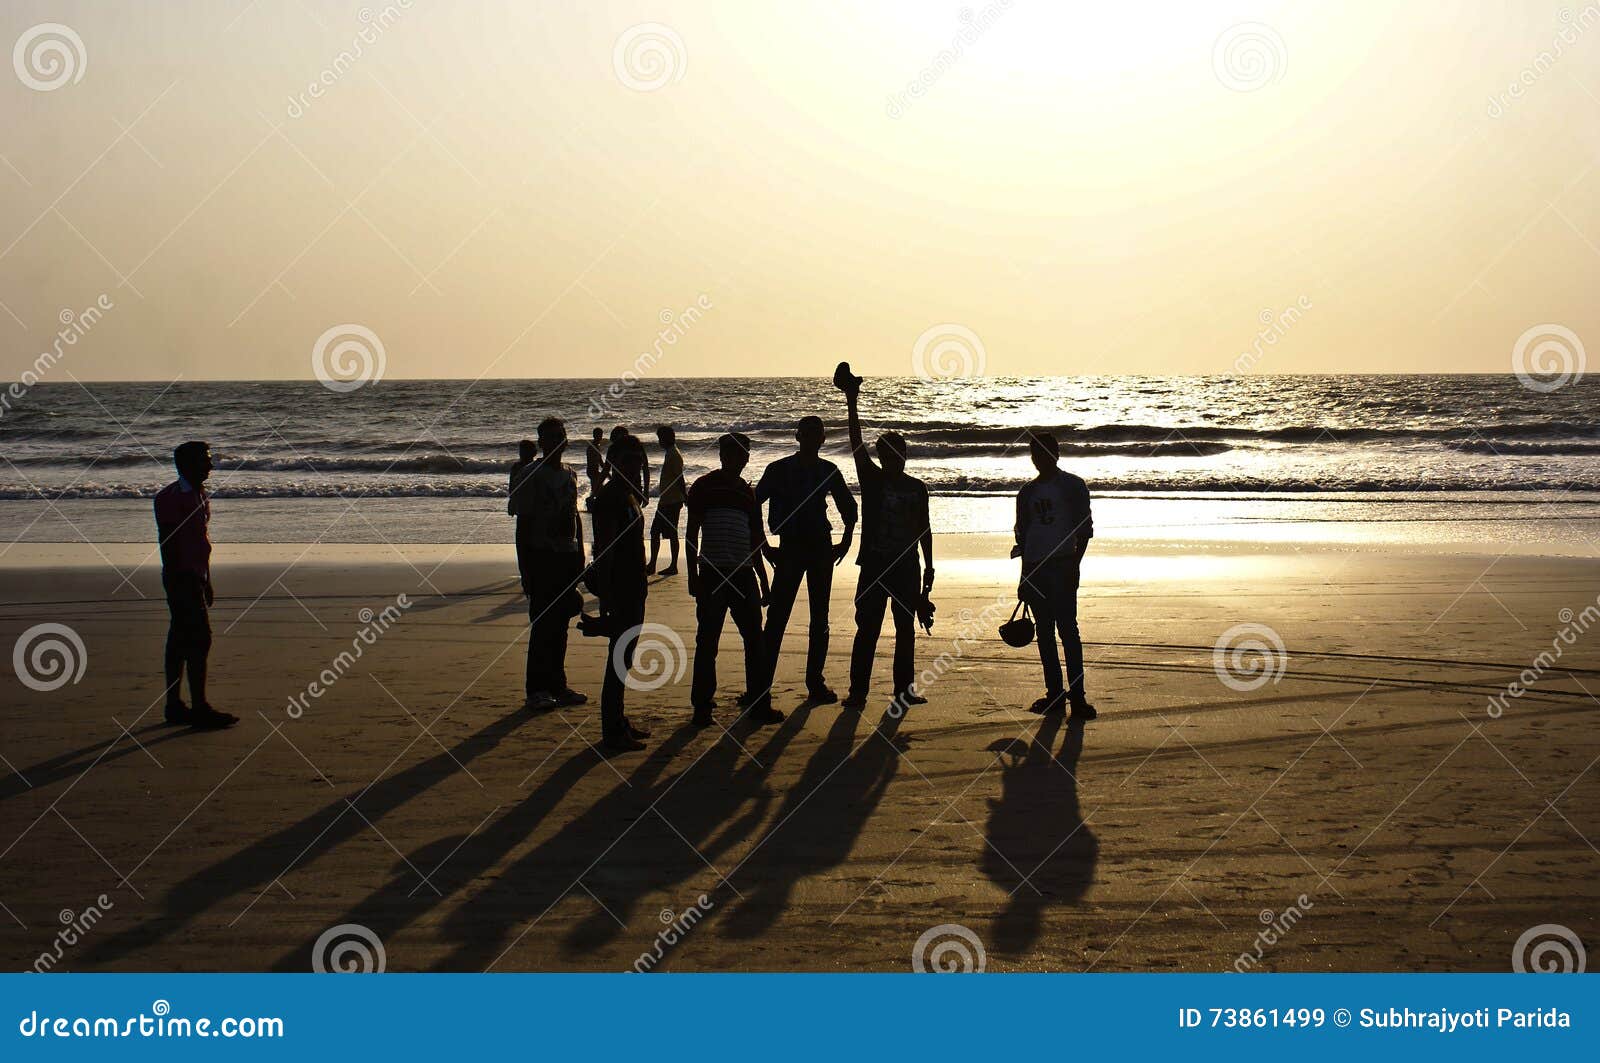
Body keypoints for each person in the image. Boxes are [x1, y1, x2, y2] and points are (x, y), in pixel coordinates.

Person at [838, 373, 933, 711]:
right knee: (868, 629)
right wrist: (852, 398)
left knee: (905, 629)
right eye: (892, 453)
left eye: (901, 452)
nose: (898, 458)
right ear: (883, 456)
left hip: (907, 566)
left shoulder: (916, 487)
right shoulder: (872, 478)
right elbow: (855, 441)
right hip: (876, 565)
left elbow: (924, 528)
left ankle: (903, 691)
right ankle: (857, 692)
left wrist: (930, 568)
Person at [754, 414, 857, 706]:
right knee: (779, 618)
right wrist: (762, 544)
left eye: (816, 434)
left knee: (814, 618)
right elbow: (752, 504)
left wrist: (847, 538)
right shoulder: (783, 469)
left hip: (813, 548)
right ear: (799, 437)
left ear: (821, 439)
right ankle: (764, 686)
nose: (812, 438)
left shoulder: (822, 470)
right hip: (794, 547)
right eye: (808, 433)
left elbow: (849, 508)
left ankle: (811, 683)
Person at [686, 433, 777, 727]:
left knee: (755, 640)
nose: (744, 457)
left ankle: (759, 703)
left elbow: (754, 539)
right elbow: (690, 534)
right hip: (713, 573)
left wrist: (763, 579)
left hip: (743, 573)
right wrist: (692, 576)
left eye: (747, 452)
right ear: (724, 455)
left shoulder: (747, 492)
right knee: (708, 641)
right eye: (739, 452)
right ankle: (701, 707)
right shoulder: (704, 486)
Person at [153, 441, 236, 729]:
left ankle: (175, 705)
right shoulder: (169, 498)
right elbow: (168, 544)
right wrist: (185, 579)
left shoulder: (200, 495)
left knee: (179, 639)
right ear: (187, 465)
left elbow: (201, 543)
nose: (210, 466)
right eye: (205, 461)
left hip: (194, 576)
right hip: (181, 578)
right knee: (199, 639)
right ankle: (199, 707)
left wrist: (207, 579)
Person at [1014, 431, 1096, 719]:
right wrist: (1024, 577)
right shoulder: (1027, 493)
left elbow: (1084, 530)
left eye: (1044, 453)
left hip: (1062, 565)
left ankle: (1078, 698)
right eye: (1035, 454)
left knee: (1068, 631)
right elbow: (1023, 538)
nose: (1039, 459)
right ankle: (1055, 695)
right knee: (1046, 633)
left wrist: (1075, 564)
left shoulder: (1073, 486)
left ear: (1056, 454)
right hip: (1036, 568)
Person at [515, 419, 588, 713]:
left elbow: (575, 515)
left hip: (566, 557)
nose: (556, 442)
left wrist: (581, 554)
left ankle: (558, 684)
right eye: (550, 438)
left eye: (560, 437)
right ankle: (537, 689)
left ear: (566, 441)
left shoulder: (570, 475)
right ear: (541, 443)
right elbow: (523, 524)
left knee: (561, 623)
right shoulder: (531, 475)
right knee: (543, 624)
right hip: (541, 556)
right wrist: (525, 569)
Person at [591, 434, 655, 752]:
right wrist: (606, 597)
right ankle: (612, 730)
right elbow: (603, 551)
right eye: (627, 461)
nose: (633, 466)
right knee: (618, 659)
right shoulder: (611, 497)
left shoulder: (629, 494)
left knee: (625, 658)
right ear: (614, 463)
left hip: (635, 584)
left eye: (637, 461)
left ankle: (618, 721)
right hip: (621, 587)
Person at [647, 424, 685, 577]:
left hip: (671, 501)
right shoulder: (671, 453)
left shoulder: (673, 454)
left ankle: (669, 565)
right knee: (660, 532)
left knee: (661, 532)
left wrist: (685, 497)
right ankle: (655, 564)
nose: (659, 441)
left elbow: (679, 478)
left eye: (660, 438)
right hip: (668, 500)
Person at [508, 438, 538, 594]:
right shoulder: (519, 467)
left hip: (532, 512)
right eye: (521, 452)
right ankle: (526, 574)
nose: (522, 455)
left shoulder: (533, 468)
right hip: (524, 511)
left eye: (524, 452)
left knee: (527, 544)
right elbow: (512, 488)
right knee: (523, 544)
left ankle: (529, 574)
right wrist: (512, 502)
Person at [584, 427, 606, 508]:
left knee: (597, 489)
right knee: (597, 489)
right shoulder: (592, 447)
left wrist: (606, 472)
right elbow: (591, 461)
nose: (600, 437)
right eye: (598, 435)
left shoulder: (597, 446)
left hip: (595, 471)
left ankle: (593, 503)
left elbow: (600, 461)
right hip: (592, 471)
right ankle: (591, 503)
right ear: (594, 435)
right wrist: (598, 473)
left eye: (600, 435)